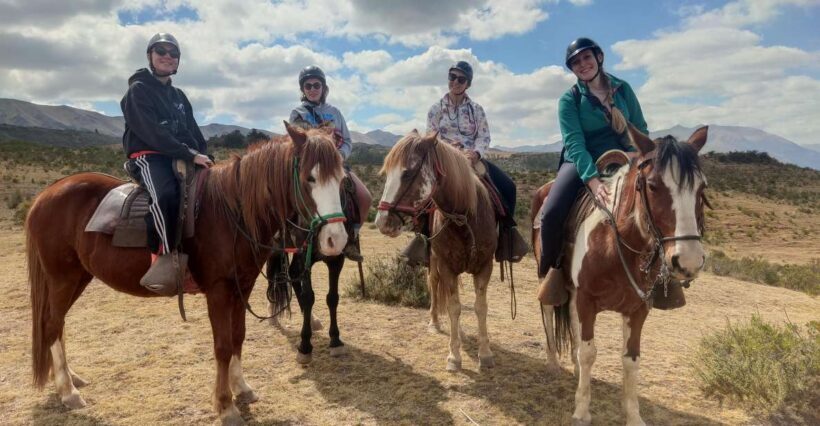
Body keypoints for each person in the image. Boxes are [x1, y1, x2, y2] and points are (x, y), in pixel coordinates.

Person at [536, 37, 649, 306]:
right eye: (576, 62)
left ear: (599, 57)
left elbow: (641, 128)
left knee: (659, 198)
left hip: (624, 157)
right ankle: (551, 275)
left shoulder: (624, 90)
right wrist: (593, 181)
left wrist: (638, 153)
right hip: (582, 161)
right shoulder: (570, 100)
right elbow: (574, 142)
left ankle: (663, 272)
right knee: (551, 213)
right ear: (572, 69)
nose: (582, 64)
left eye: (586, 58)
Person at [400, 61, 529, 266]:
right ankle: (422, 238)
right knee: (424, 192)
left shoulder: (476, 110)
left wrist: (475, 154)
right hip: (445, 160)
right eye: (452, 77)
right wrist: (450, 150)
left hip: (471, 159)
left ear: (468, 83)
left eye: (461, 79)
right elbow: (431, 136)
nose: (456, 82)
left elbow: (484, 136)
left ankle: (507, 234)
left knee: (508, 187)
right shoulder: (436, 109)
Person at [121, 32, 213, 294]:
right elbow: (151, 132)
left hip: (181, 154)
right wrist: (188, 153)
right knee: (165, 195)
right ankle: (162, 260)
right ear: (150, 56)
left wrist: (205, 155)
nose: (167, 56)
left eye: (173, 53)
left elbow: (194, 132)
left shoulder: (179, 97)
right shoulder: (137, 91)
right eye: (160, 51)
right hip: (149, 156)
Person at [290, 65, 372, 261]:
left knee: (364, 197)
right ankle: (285, 237)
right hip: (309, 168)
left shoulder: (334, 112)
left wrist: (338, 158)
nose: (312, 89)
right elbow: (294, 144)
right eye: (307, 85)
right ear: (302, 89)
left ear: (324, 87)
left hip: (335, 165)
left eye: (316, 85)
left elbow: (347, 141)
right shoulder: (297, 114)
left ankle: (351, 237)